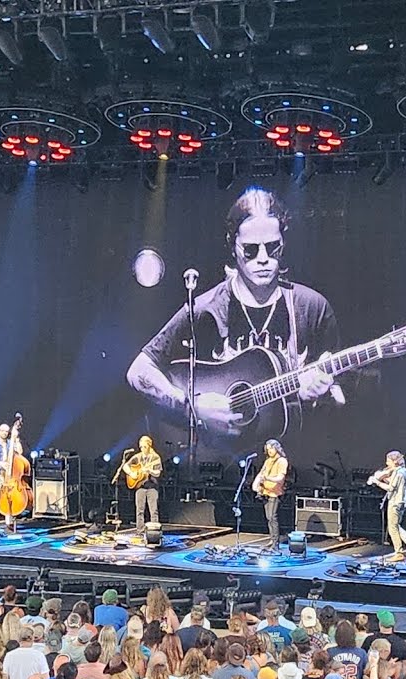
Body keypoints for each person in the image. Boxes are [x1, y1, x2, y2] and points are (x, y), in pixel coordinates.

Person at [126, 187, 344, 451]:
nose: (263, 259)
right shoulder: (204, 309)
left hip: (289, 463)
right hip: (212, 460)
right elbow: (138, 371)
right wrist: (191, 406)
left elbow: (342, 400)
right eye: (251, 250)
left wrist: (320, 394)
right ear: (233, 247)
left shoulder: (313, 308)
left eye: (272, 248)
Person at [366, 451, 406, 562]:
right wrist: (384, 476)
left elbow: (391, 488)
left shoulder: (398, 472)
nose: (386, 462)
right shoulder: (402, 471)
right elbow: (394, 483)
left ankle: (399, 552)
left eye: (388, 460)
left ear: (394, 461)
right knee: (396, 526)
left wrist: (376, 481)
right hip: (401, 502)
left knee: (392, 528)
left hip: (395, 502)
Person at [251, 440, 289, 549]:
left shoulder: (282, 461)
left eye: (271, 449)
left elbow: (280, 478)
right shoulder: (268, 461)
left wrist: (267, 478)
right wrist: (256, 484)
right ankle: (272, 539)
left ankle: (275, 543)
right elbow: (261, 473)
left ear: (276, 448)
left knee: (273, 517)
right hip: (265, 492)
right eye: (268, 449)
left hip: (275, 493)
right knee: (269, 518)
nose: (270, 451)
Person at [122, 436, 163, 532]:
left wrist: (149, 470)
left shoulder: (155, 458)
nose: (143, 449)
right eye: (141, 447)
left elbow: (158, 473)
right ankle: (139, 531)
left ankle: (154, 531)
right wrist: (132, 473)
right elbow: (125, 466)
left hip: (152, 487)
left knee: (153, 511)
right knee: (139, 510)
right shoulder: (137, 457)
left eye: (145, 446)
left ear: (149, 446)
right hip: (140, 487)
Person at [0, 423, 24, 529]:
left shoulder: (10, 443)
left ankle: (9, 522)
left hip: (10, 477)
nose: (5, 433)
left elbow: (20, 452)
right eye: (3, 431)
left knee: (9, 499)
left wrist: (16, 439)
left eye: (7, 431)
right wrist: (1, 463)